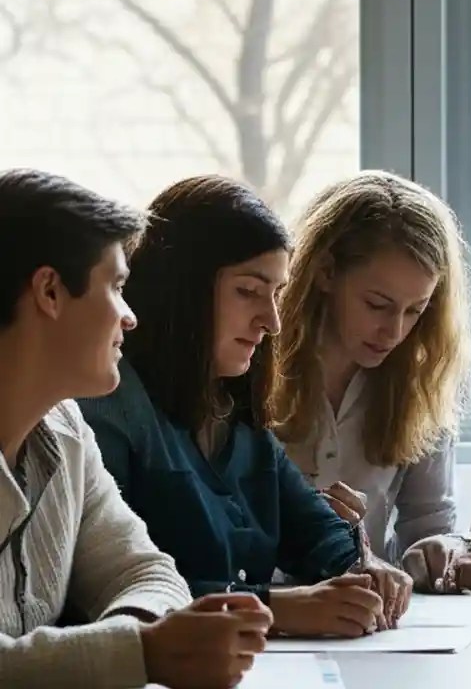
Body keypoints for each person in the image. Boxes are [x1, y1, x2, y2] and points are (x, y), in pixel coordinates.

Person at [77, 175, 412, 639]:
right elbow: (106, 586)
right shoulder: (108, 408)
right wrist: (274, 608)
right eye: (248, 291)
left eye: (276, 295)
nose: (271, 321)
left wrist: (365, 565)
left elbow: (314, 531)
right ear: (183, 289)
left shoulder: (235, 414)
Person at [0, 169, 272, 688]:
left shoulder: (66, 430)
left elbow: (148, 572)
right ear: (50, 292)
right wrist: (139, 653)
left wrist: (153, 640)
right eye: (118, 287)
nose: (130, 317)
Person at [271, 170, 471, 594]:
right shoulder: (252, 364)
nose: (394, 332)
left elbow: (428, 525)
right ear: (325, 272)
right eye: (377, 304)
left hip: (372, 620)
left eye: (415, 311)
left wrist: (440, 550)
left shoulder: (418, 381)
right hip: (265, 618)